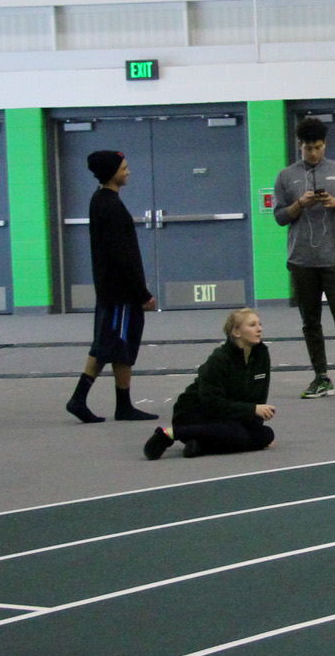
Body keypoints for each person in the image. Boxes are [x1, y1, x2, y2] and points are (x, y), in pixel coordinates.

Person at [274, 117, 335, 400]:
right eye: (307, 148)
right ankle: (320, 377)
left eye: (317, 147)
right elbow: (280, 217)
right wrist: (299, 205)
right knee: (310, 321)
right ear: (299, 146)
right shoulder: (286, 176)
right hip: (302, 260)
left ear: (324, 145)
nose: (313, 153)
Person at [65, 150, 159, 424]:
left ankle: (116, 403)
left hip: (111, 290)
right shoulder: (111, 206)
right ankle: (83, 399)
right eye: (124, 167)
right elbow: (123, 256)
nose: (128, 171)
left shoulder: (101, 201)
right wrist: (142, 293)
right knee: (112, 344)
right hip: (120, 293)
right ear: (112, 172)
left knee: (116, 345)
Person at [144, 308, 276, 460]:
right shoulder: (219, 359)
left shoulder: (262, 355)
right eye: (252, 325)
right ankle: (171, 433)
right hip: (194, 415)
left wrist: (256, 429)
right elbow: (212, 404)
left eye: (260, 324)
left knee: (266, 434)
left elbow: (259, 397)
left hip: (226, 418)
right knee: (237, 434)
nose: (259, 329)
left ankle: (200, 446)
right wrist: (252, 411)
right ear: (236, 332)